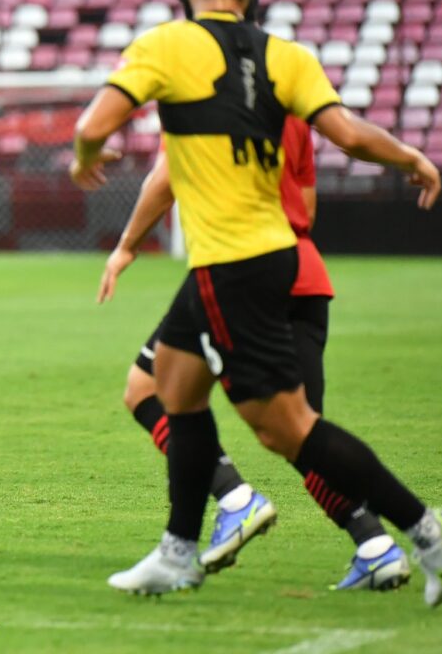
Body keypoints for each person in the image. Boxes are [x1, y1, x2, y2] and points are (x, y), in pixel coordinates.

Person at [69, 0, 442, 606]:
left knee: (287, 430)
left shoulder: (165, 46)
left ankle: (421, 525)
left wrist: (86, 158)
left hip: (232, 264)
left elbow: (94, 123)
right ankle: (179, 551)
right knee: (170, 389)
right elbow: (350, 135)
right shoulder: (288, 56)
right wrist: (413, 159)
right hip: (270, 254)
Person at [99, 118, 409, 590]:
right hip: (298, 268)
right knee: (298, 430)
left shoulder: (201, 95)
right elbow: (306, 203)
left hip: (234, 271)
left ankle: (232, 506)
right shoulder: (292, 94)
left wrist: (125, 247)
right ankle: (376, 543)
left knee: (274, 425)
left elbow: (164, 178)